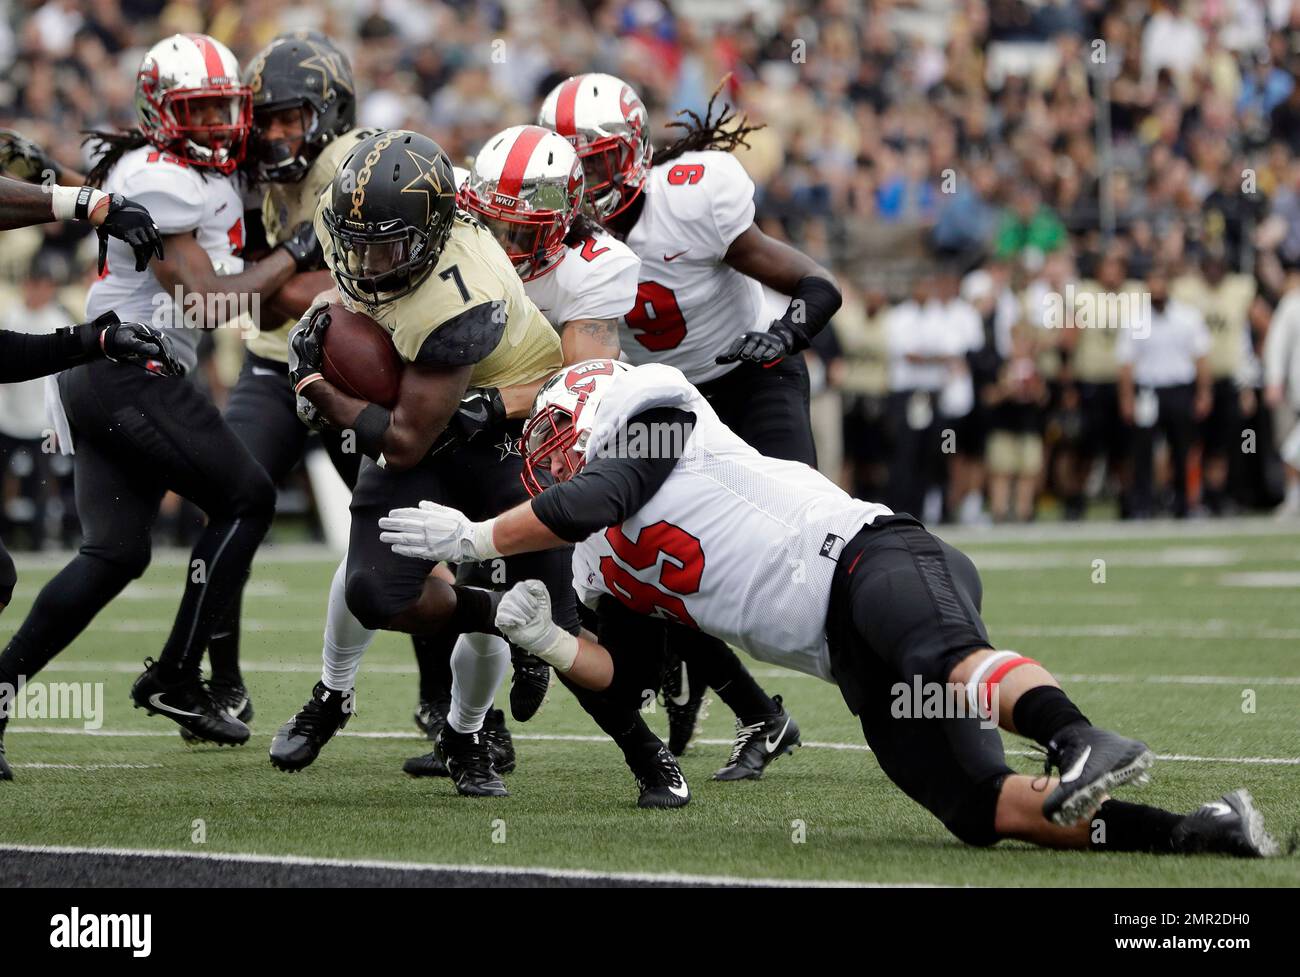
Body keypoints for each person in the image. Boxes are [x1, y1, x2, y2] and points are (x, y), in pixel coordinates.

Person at [378, 360, 1278, 857]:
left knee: (941, 657)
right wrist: (538, 634)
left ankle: (1079, 734)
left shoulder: (657, 410)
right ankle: (1200, 833)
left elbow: (596, 495)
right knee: (979, 807)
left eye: (562, 450)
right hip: (841, 651)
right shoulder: (601, 562)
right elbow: (632, 680)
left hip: (869, 555)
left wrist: (476, 538)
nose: (559, 469)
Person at [0, 34, 323, 779]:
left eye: (222, 108)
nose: (216, 124)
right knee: (247, 497)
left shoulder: (167, 169)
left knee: (115, 554)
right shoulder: (161, 174)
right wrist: (300, 251)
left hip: (103, 369)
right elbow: (207, 301)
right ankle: (179, 673)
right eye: (197, 110)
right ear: (161, 115)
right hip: (127, 367)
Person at [538, 73, 842, 775]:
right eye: (573, 165)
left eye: (600, 161)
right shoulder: (557, 235)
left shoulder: (693, 196)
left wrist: (786, 337)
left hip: (748, 376)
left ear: (636, 153)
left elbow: (817, 285)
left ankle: (861, 653)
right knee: (652, 556)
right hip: (663, 404)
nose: (585, 181)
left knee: (801, 536)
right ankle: (758, 713)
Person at [269, 129, 571, 798]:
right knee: (373, 585)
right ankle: (335, 693)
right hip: (427, 408)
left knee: (555, 617)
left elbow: (402, 441)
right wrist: (324, 313)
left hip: (502, 431)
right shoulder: (350, 211)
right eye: (360, 242)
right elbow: (348, 291)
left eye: (388, 245)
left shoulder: (464, 293)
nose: (368, 261)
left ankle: (465, 735)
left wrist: (316, 387)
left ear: (433, 233)